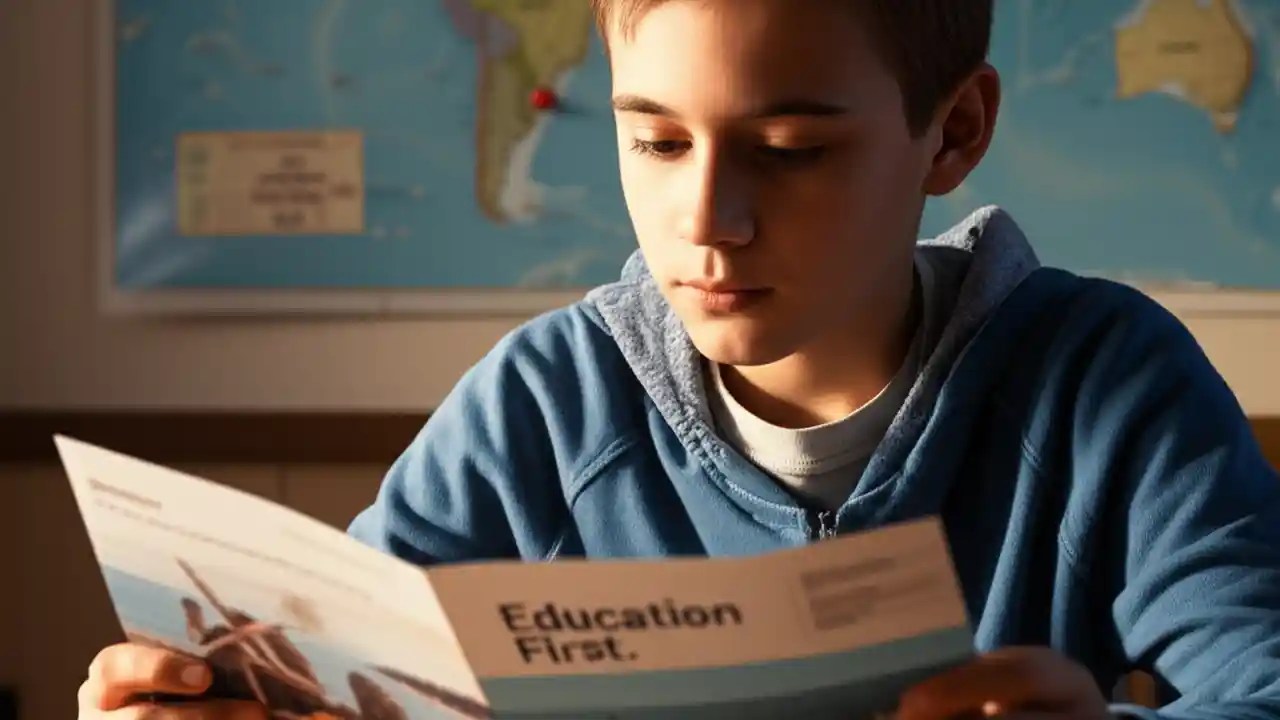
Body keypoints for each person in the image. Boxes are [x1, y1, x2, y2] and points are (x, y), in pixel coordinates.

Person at [78, 1, 1280, 718]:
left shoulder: (1104, 386)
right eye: (653, 139)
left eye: (793, 149)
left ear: (951, 132)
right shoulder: (540, 410)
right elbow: (338, 684)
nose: (704, 221)